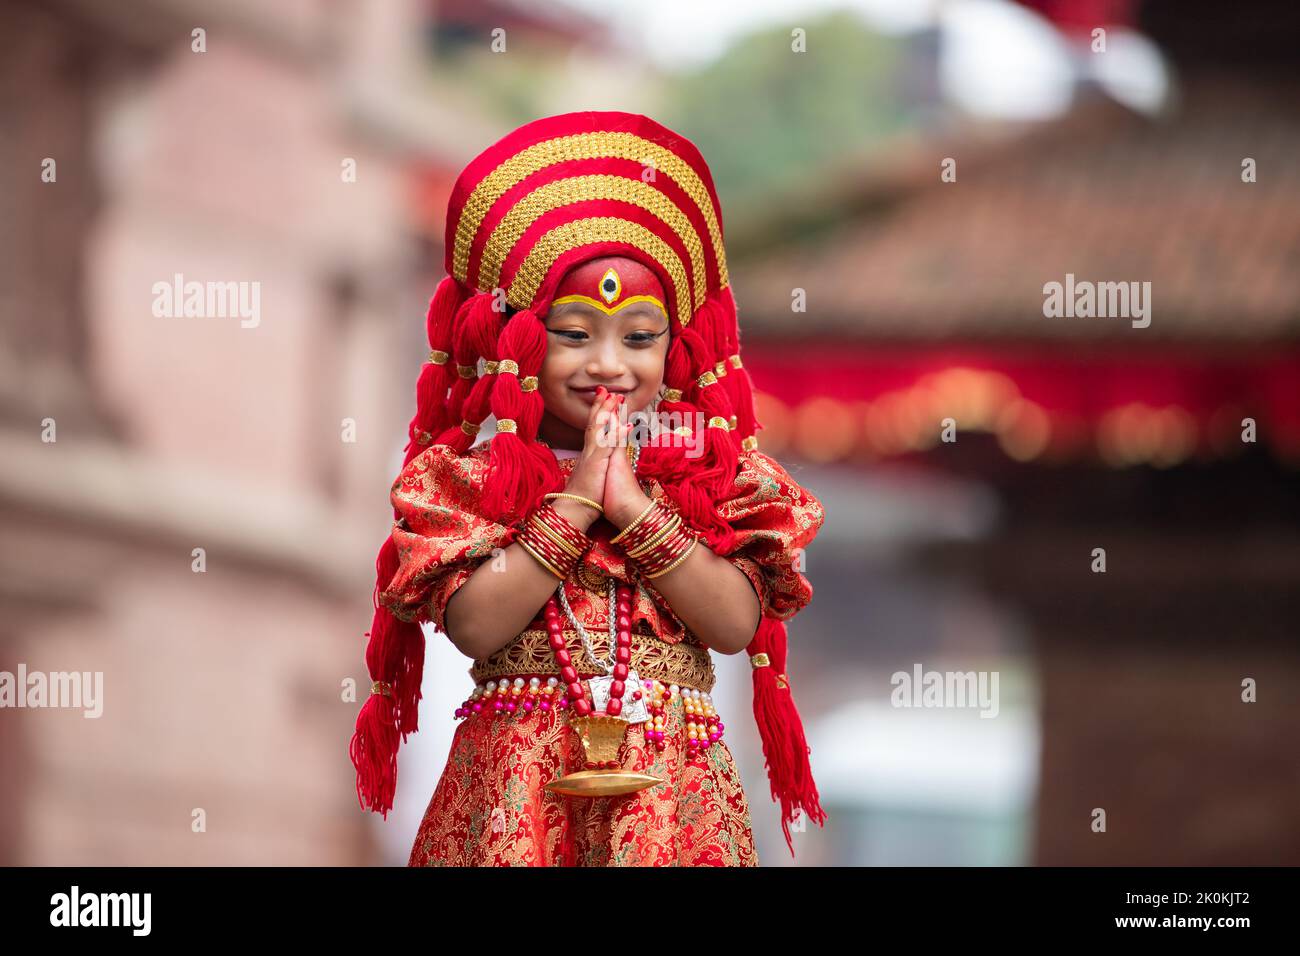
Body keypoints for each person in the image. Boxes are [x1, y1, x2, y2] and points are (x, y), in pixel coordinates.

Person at [350, 111, 826, 866]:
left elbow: (735, 625)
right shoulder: (471, 483)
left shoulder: (709, 480)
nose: (609, 363)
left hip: (673, 792)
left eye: (638, 338)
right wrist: (575, 501)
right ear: (521, 345)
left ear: (675, 351)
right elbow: (475, 626)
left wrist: (633, 507)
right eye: (575, 335)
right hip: (515, 785)